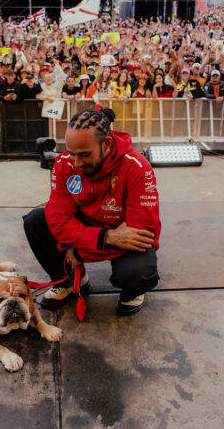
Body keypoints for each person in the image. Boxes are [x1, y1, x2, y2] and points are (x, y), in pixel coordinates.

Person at [22, 107, 161, 316]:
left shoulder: (137, 167)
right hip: (105, 234)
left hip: (122, 236)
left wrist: (80, 252)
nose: (77, 163)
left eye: (84, 155)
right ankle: (70, 281)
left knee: (137, 273)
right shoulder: (63, 163)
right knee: (36, 221)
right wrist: (106, 238)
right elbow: (58, 220)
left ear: (106, 144)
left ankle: (132, 292)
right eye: (72, 153)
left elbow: (142, 232)